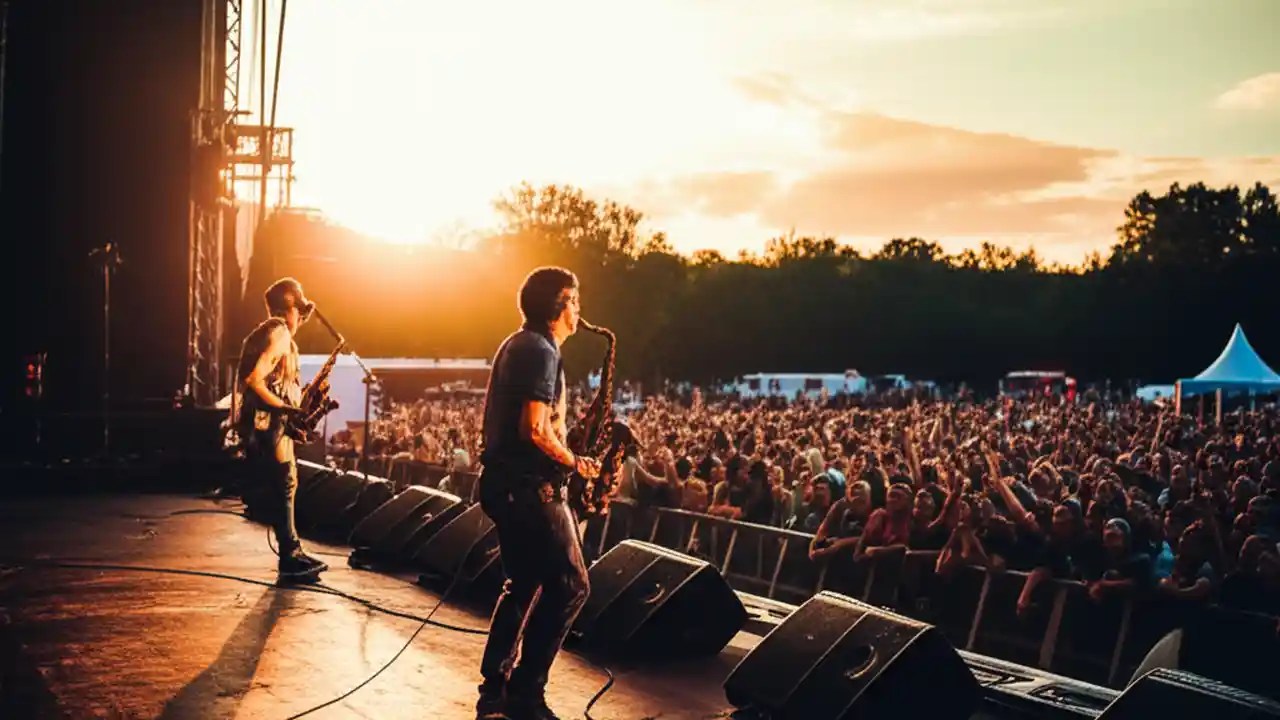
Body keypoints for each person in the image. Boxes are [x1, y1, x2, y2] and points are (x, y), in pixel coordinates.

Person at [475, 267, 601, 720]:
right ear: (559, 304)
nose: (579, 312)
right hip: (533, 490)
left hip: (509, 487)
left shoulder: (518, 343)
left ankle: (497, 685)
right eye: (575, 302)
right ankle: (527, 693)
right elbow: (533, 428)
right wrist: (574, 461)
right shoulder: (540, 350)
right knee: (571, 584)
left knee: (525, 582)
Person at [227, 277, 328, 582]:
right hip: (272, 424)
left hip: (268, 423)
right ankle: (289, 556)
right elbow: (255, 379)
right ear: (290, 308)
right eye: (299, 311)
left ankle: (293, 549)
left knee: (287, 483)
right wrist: (284, 408)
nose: (300, 319)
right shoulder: (280, 332)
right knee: (285, 484)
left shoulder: (269, 332)